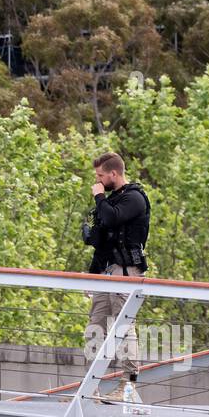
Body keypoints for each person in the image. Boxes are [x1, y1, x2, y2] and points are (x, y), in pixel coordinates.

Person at [82, 152, 150, 403]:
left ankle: (128, 388)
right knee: (94, 327)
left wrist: (99, 196)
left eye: (100, 176)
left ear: (114, 174)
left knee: (124, 327)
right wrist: (91, 277)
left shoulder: (134, 198)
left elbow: (112, 217)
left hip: (126, 272)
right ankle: (90, 389)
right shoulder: (110, 200)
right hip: (105, 272)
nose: (97, 181)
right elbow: (101, 242)